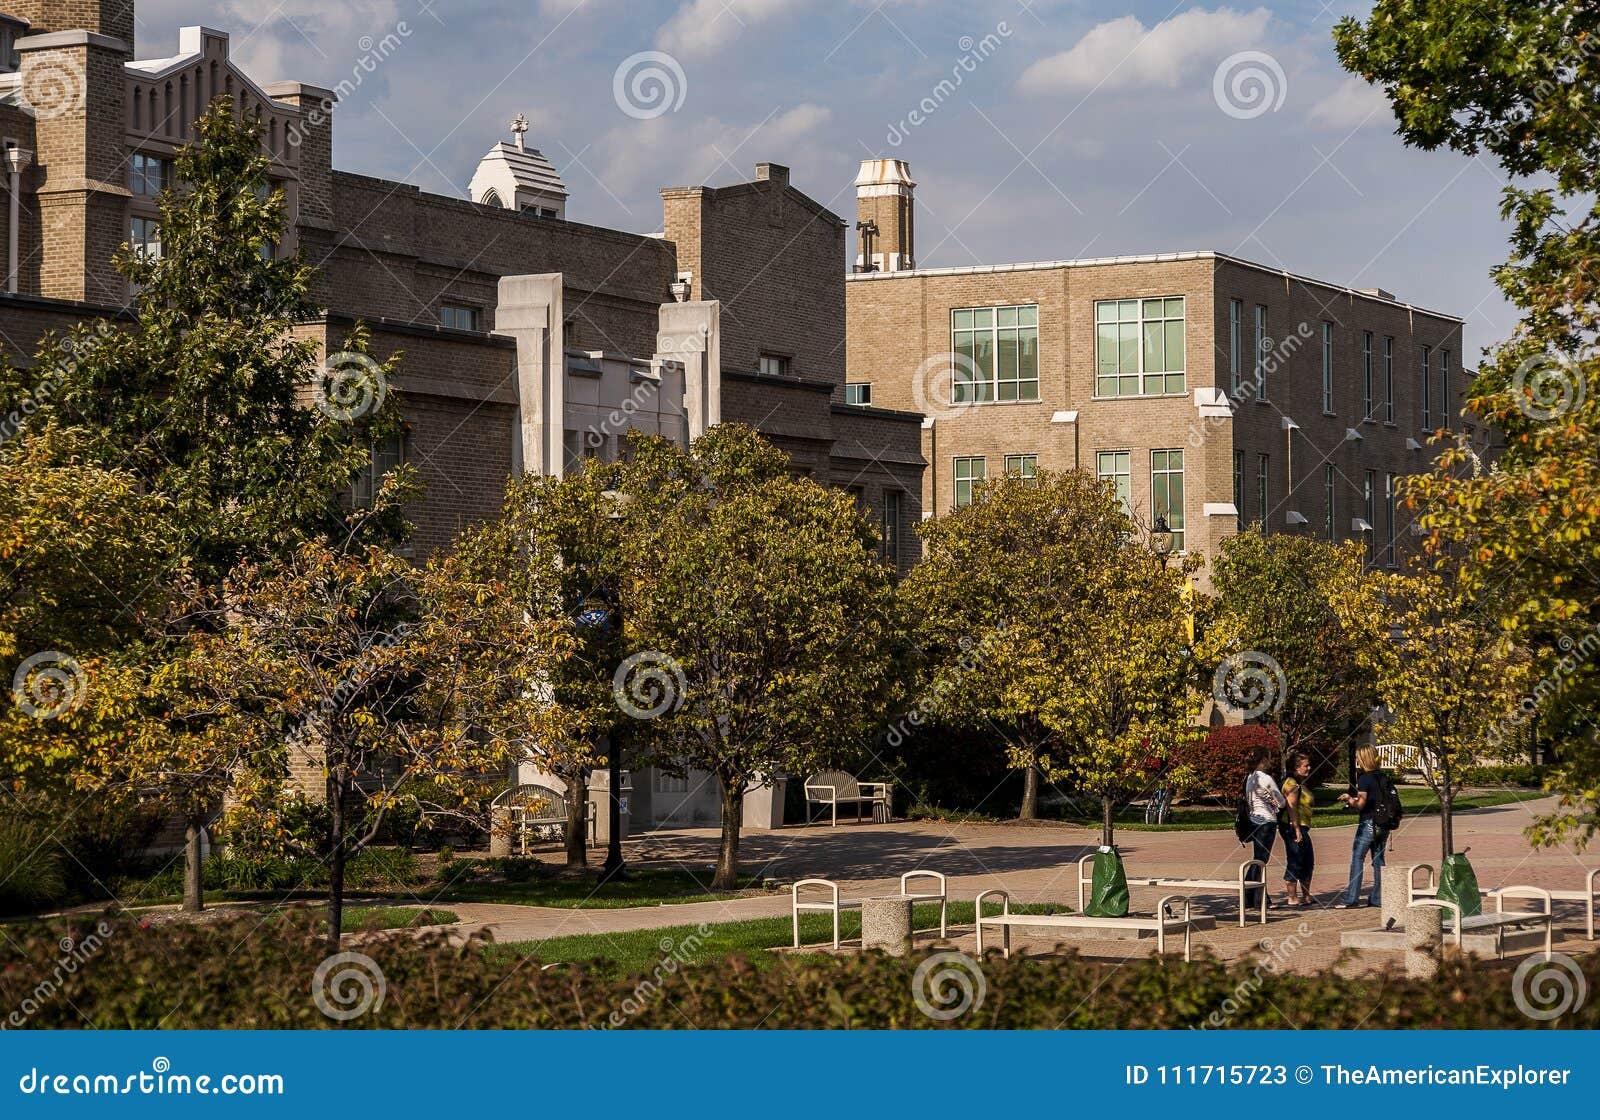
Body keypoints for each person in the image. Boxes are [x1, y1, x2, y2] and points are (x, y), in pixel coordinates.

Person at [1335, 745, 1388, 908]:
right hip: (1383, 824)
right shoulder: (1383, 777)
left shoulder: (1364, 779)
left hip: (1368, 823)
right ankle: (1378, 897)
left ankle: (1351, 898)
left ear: (1364, 758)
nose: (1356, 759)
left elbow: (1361, 804)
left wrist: (1349, 799)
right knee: (1379, 860)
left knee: (1357, 858)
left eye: (1358, 756)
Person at [1242, 747, 1287, 910]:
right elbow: (1281, 802)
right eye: (1268, 758)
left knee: (1257, 859)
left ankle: (1248, 896)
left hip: (1254, 821)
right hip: (1267, 822)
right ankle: (1260, 899)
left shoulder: (1250, 777)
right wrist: (1277, 803)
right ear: (1263, 760)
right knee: (1261, 861)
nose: (1270, 761)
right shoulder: (1266, 778)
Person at [1280, 750, 1316, 907]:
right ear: (1296, 768)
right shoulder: (1291, 784)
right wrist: (1296, 830)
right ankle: (1292, 897)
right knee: (1295, 860)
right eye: (1305, 766)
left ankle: (1306, 895)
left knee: (1308, 860)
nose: (1309, 768)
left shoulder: (1300, 783)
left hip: (1303, 827)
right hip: (1293, 826)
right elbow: (1292, 808)